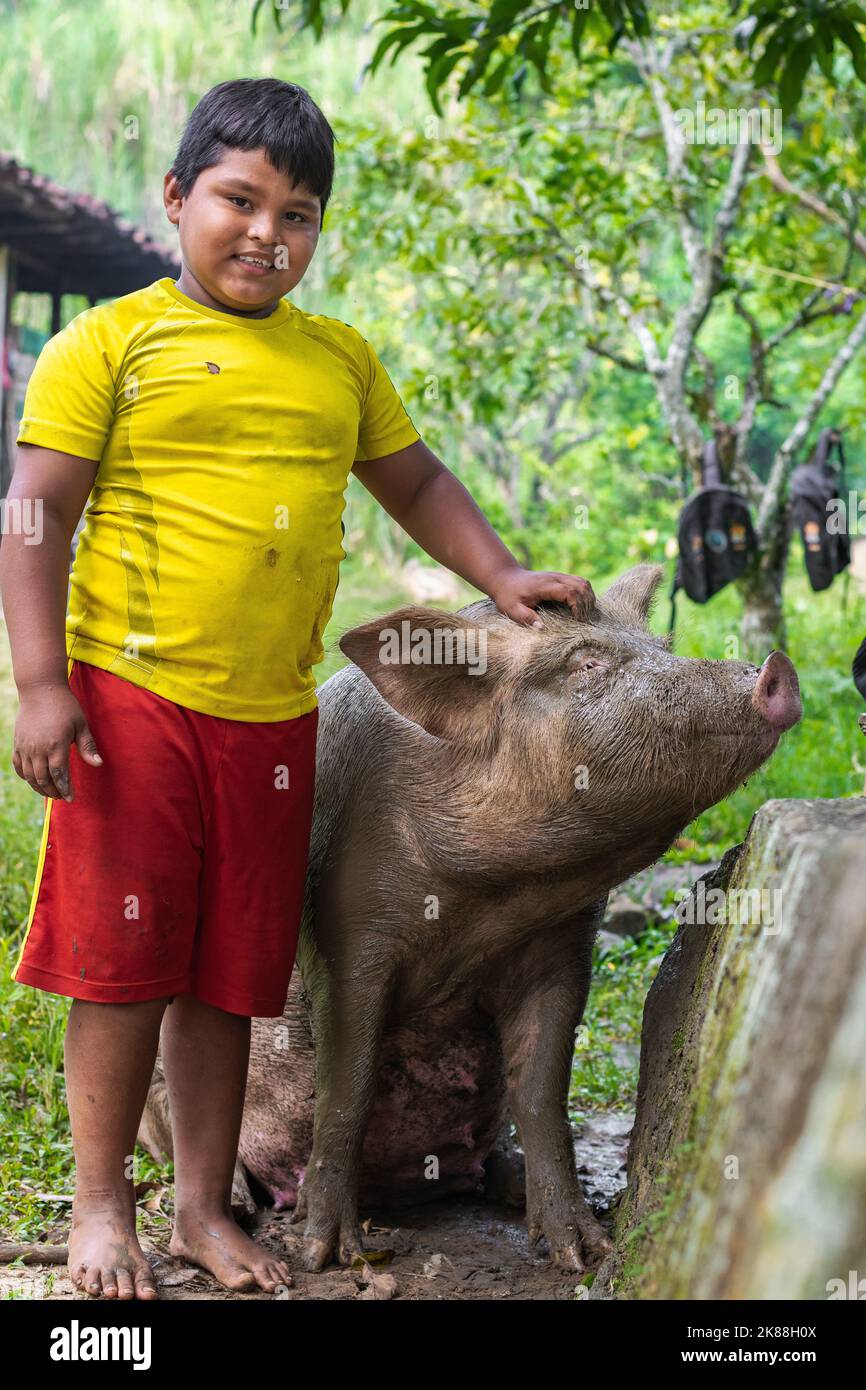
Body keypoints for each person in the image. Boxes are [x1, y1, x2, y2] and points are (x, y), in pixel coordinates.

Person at [0, 77, 591, 1301]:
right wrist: (42, 680)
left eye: (300, 212)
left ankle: (205, 1212)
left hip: (273, 718)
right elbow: (36, 514)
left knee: (229, 974)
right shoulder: (108, 343)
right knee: (127, 970)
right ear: (175, 196)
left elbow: (415, 480)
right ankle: (106, 1207)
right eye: (239, 198)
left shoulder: (337, 360)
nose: (268, 232)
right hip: (132, 702)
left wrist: (497, 571)